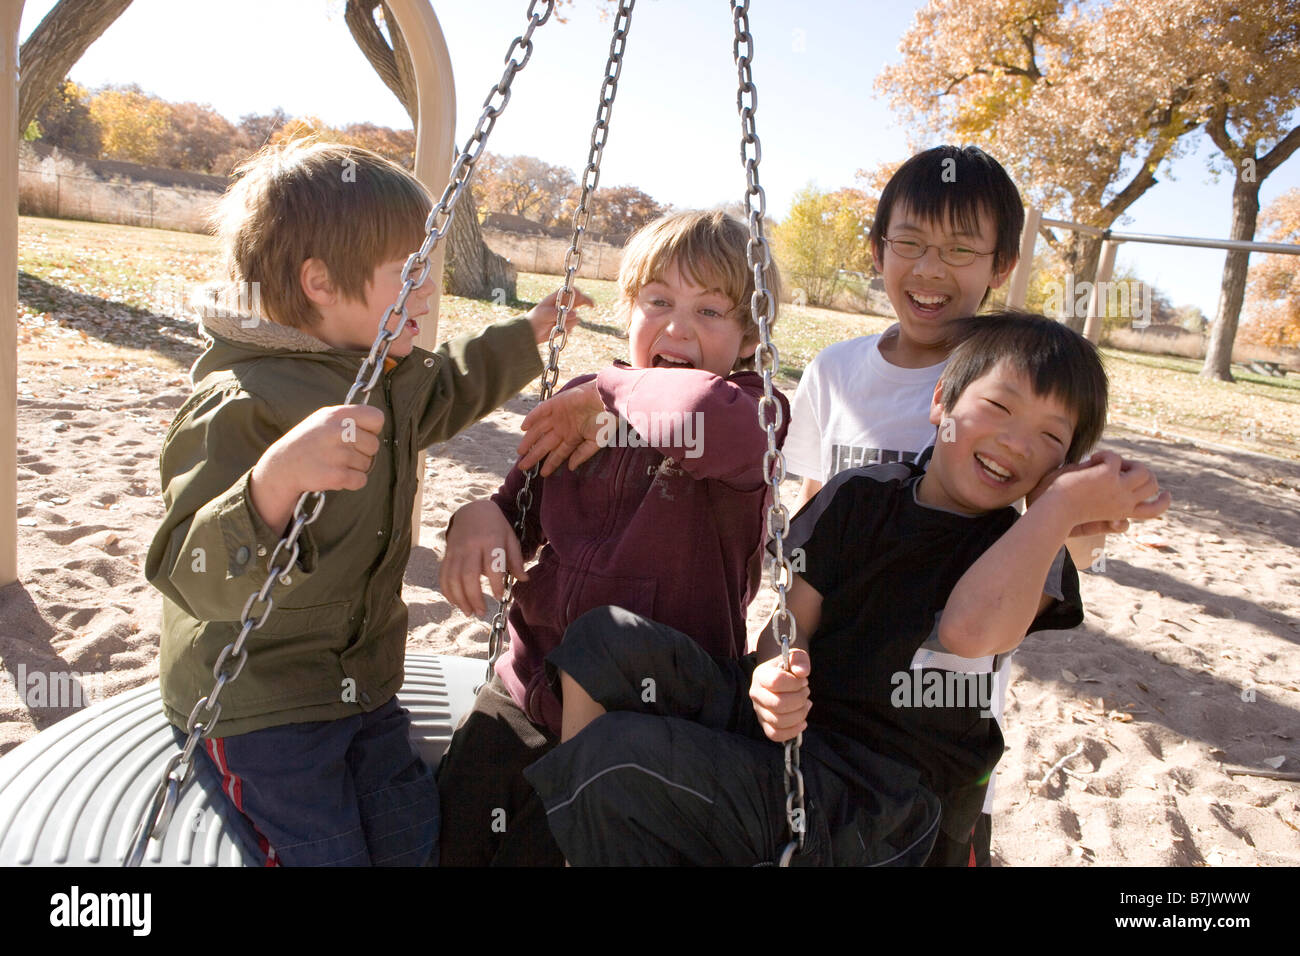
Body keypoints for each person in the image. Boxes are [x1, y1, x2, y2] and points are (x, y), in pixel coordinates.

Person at [526, 312, 1164, 866]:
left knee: (621, 757)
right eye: (998, 407)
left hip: (883, 807)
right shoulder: (862, 493)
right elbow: (790, 619)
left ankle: (603, 813)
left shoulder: (1025, 551)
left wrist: (1058, 509)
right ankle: (589, 839)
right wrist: (774, 669)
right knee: (603, 639)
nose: (1015, 442)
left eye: (1051, 438)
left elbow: (970, 633)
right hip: (801, 735)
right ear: (941, 401)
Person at [145, 140, 586, 866]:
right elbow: (185, 569)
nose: (429, 294)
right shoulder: (241, 402)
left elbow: (451, 390)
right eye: (409, 276)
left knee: (413, 838)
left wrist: (525, 338)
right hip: (259, 703)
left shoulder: (390, 370)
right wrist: (274, 482)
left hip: (362, 687)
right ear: (318, 281)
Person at [782, 145, 1170, 862]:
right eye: (911, 244)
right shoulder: (836, 372)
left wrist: (1092, 510)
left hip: (941, 717)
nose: (931, 270)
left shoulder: (1019, 382)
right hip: (828, 700)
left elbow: (1066, 547)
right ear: (877, 250)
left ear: (1000, 268)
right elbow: (811, 517)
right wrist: (788, 652)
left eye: (961, 250)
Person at [435, 209, 789, 866]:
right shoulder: (578, 401)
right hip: (527, 683)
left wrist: (608, 390)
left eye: (710, 311)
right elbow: (518, 507)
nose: (677, 326)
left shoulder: (752, 412)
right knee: (455, 832)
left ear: (750, 338)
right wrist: (478, 517)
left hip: (645, 716)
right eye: (658, 301)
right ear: (629, 307)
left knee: (554, 848)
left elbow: (691, 412)